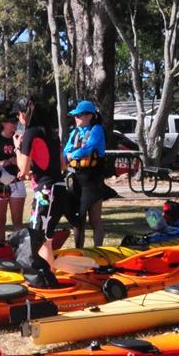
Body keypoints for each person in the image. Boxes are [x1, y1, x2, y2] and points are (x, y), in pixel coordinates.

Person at [15, 96, 65, 273]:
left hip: (46, 192)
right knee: (46, 239)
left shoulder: (30, 134)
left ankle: (45, 277)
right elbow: (62, 165)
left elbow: (22, 168)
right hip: (58, 187)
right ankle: (49, 272)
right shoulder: (51, 133)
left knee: (39, 238)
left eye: (18, 114)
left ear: (23, 114)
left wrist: (17, 147)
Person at [62, 100, 119, 248]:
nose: (76, 118)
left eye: (79, 115)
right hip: (77, 180)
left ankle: (98, 250)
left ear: (90, 116)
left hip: (93, 182)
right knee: (77, 218)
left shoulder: (97, 130)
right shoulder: (74, 132)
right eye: (75, 115)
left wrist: (72, 155)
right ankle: (78, 250)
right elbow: (65, 151)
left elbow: (88, 149)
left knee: (95, 219)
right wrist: (71, 155)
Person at [0, 113, 25, 245]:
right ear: (3, 123)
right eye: (11, 121)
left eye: (15, 121)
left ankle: (20, 250)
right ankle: (0, 251)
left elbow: (27, 161)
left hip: (17, 183)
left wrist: (17, 160)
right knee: (0, 222)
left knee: (17, 222)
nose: (14, 124)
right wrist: (1, 163)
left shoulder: (19, 139)